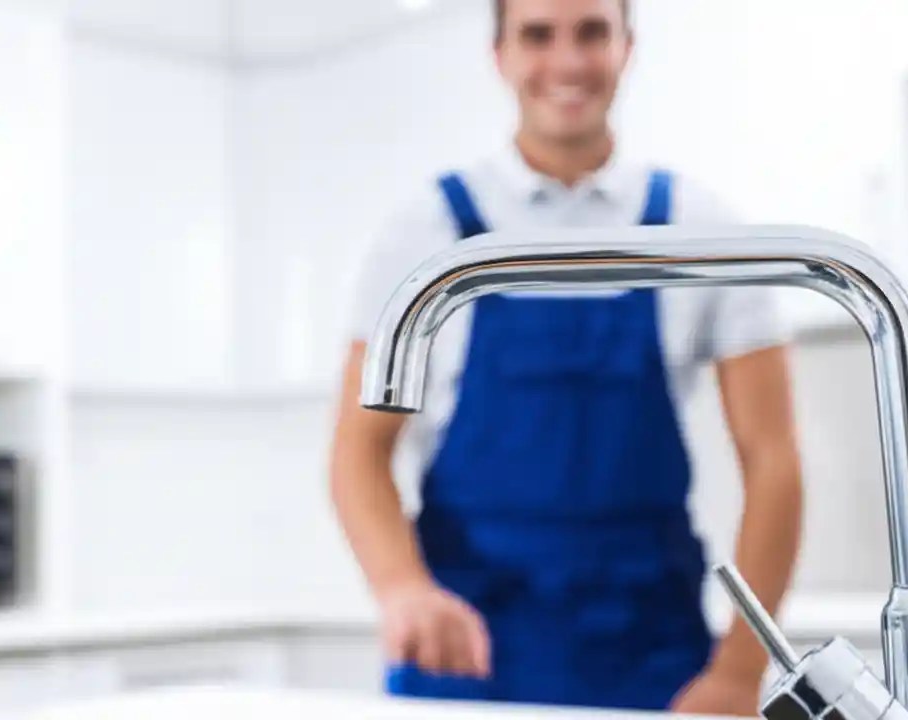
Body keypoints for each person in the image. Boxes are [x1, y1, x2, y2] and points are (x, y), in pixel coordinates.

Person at [329, 0, 803, 714]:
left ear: (627, 46)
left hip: (654, 660)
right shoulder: (421, 235)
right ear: (500, 54)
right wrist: (401, 587)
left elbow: (774, 461)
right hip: (468, 656)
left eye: (591, 32)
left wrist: (739, 670)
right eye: (538, 35)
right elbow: (357, 450)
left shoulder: (704, 230)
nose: (568, 62)